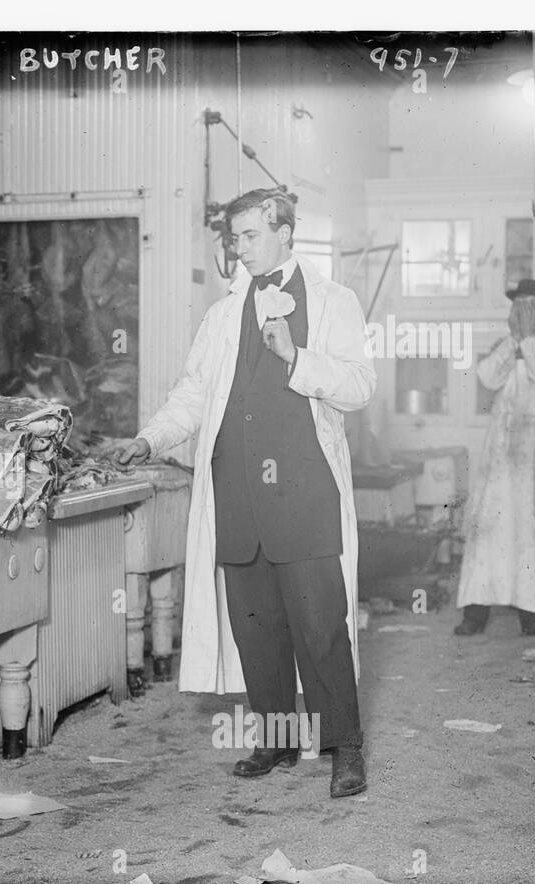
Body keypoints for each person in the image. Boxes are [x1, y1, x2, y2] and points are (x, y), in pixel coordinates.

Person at [117, 187, 375, 798]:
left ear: (286, 231)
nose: (238, 248)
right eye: (234, 238)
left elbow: (361, 386)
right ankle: (277, 739)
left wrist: (297, 357)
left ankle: (344, 747)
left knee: (320, 624)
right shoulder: (222, 313)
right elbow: (191, 394)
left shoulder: (336, 302)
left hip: (305, 494)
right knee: (256, 625)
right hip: (237, 494)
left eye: (250, 235)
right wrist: (149, 441)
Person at [453, 279, 535, 636]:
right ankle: (474, 614)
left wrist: (527, 340)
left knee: (533, 533)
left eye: (528, 307)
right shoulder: (506, 343)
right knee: (489, 532)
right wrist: (514, 340)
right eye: (516, 306)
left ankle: (531, 616)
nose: (519, 313)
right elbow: (488, 377)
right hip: (503, 450)